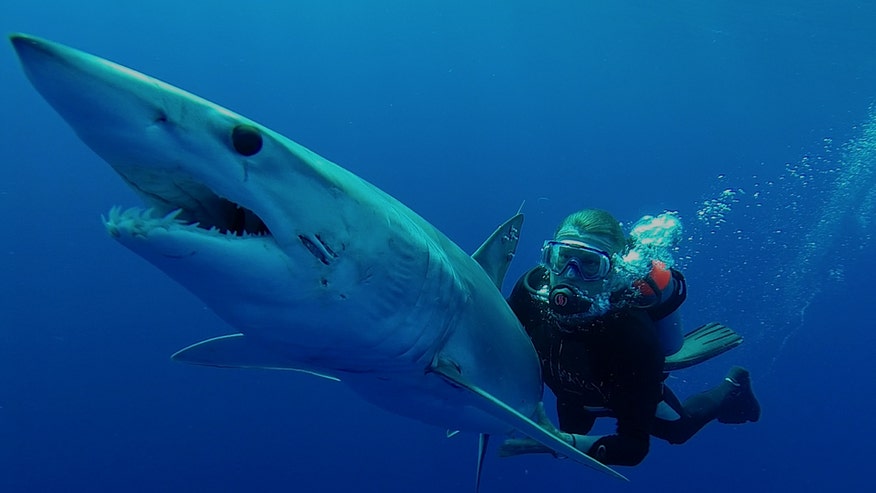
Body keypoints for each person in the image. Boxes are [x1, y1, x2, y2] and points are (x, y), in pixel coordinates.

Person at [501, 209, 761, 466]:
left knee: (680, 431)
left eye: (590, 264)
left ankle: (732, 388)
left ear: (613, 271)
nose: (570, 274)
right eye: (562, 257)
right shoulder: (529, 293)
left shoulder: (632, 335)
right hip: (571, 398)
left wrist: (566, 442)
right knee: (571, 431)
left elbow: (634, 448)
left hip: (626, 395)